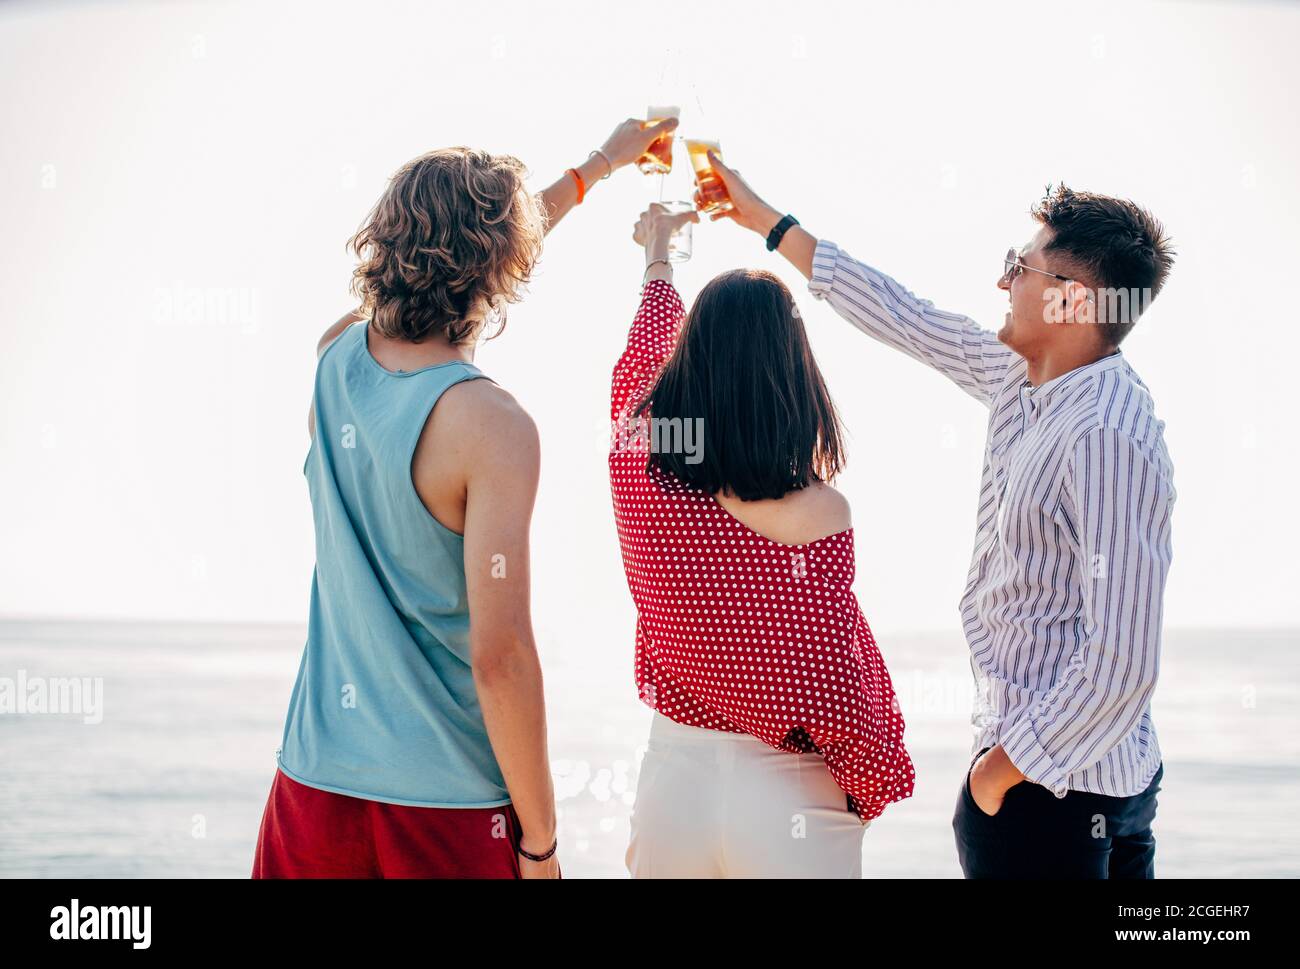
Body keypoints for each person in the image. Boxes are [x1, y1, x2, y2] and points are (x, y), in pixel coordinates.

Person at [700, 155, 1177, 879]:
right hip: (1054, 786)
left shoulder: (1104, 432)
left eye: (1021, 266)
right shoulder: (1023, 377)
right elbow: (905, 316)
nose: (1003, 280)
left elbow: (1121, 660)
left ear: (1073, 302)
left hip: (1059, 799)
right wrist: (767, 221)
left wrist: (1000, 775)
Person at [252, 116, 678, 879]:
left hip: (311, 788)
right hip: (443, 807)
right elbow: (501, 655)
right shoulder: (493, 425)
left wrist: (601, 164)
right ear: (504, 265)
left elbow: (476, 251)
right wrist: (541, 842)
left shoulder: (333, 360)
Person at [610, 203, 915, 879]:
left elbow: (643, 352)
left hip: (672, 783)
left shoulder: (635, 449)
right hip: (789, 794)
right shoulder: (823, 515)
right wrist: (867, 784)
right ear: (790, 374)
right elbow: (836, 687)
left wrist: (658, 253)